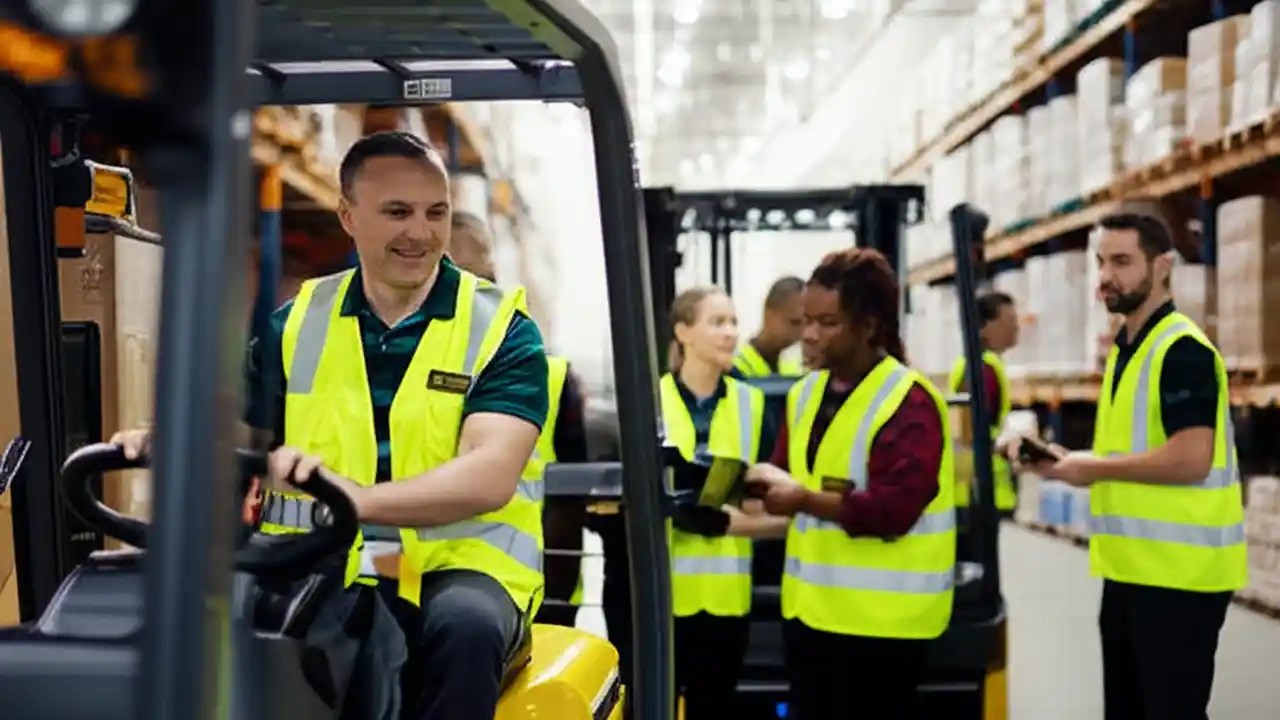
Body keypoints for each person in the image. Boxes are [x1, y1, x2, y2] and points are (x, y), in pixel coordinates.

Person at [113, 131, 550, 720]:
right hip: (324, 556)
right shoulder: (296, 322)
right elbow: (241, 424)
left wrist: (360, 500)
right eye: (397, 212)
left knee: (463, 631)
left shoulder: (502, 328)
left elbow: (490, 474)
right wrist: (170, 436)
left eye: (435, 212)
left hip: (458, 569)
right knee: (220, 621)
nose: (420, 233)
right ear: (348, 216)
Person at [1012, 212, 1245, 720]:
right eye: (1100, 262)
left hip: (1181, 578)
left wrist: (1094, 469)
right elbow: (1128, 452)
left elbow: (1192, 458)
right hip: (1131, 570)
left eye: (1121, 261)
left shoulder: (1181, 351)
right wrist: (1064, 465)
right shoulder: (1126, 350)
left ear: (1162, 267)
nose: (1104, 277)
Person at [745, 248, 956, 720]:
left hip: (885, 631)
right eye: (805, 322)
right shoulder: (804, 395)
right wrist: (748, 485)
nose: (811, 336)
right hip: (811, 619)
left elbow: (894, 510)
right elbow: (786, 477)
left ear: (869, 325)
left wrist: (802, 499)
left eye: (828, 323)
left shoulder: (910, 401)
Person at [447, 208, 590, 628]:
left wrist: (558, 595)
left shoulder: (552, 377)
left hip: (524, 586)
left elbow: (571, 496)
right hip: (456, 584)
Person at [662, 286, 786, 719]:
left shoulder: (751, 405)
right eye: (717, 322)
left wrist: (718, 521)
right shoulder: (652, 401)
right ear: (683, 332)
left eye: (734, 322)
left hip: (727, 601)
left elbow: (773, 502)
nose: (731, 332)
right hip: (662, 599)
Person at [947, 291, 1019, 519]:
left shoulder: (982, 365)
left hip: (979, 493)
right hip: (977, 494)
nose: (1016, 328)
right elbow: (969, 434)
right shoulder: (982, 370)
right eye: (1008, 321)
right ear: (984, 327)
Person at [733, 276, 805, 377]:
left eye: (806, 324)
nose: (801, 332)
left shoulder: (796, 365)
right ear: (768, 315)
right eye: (794, 322)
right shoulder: (734, 365)